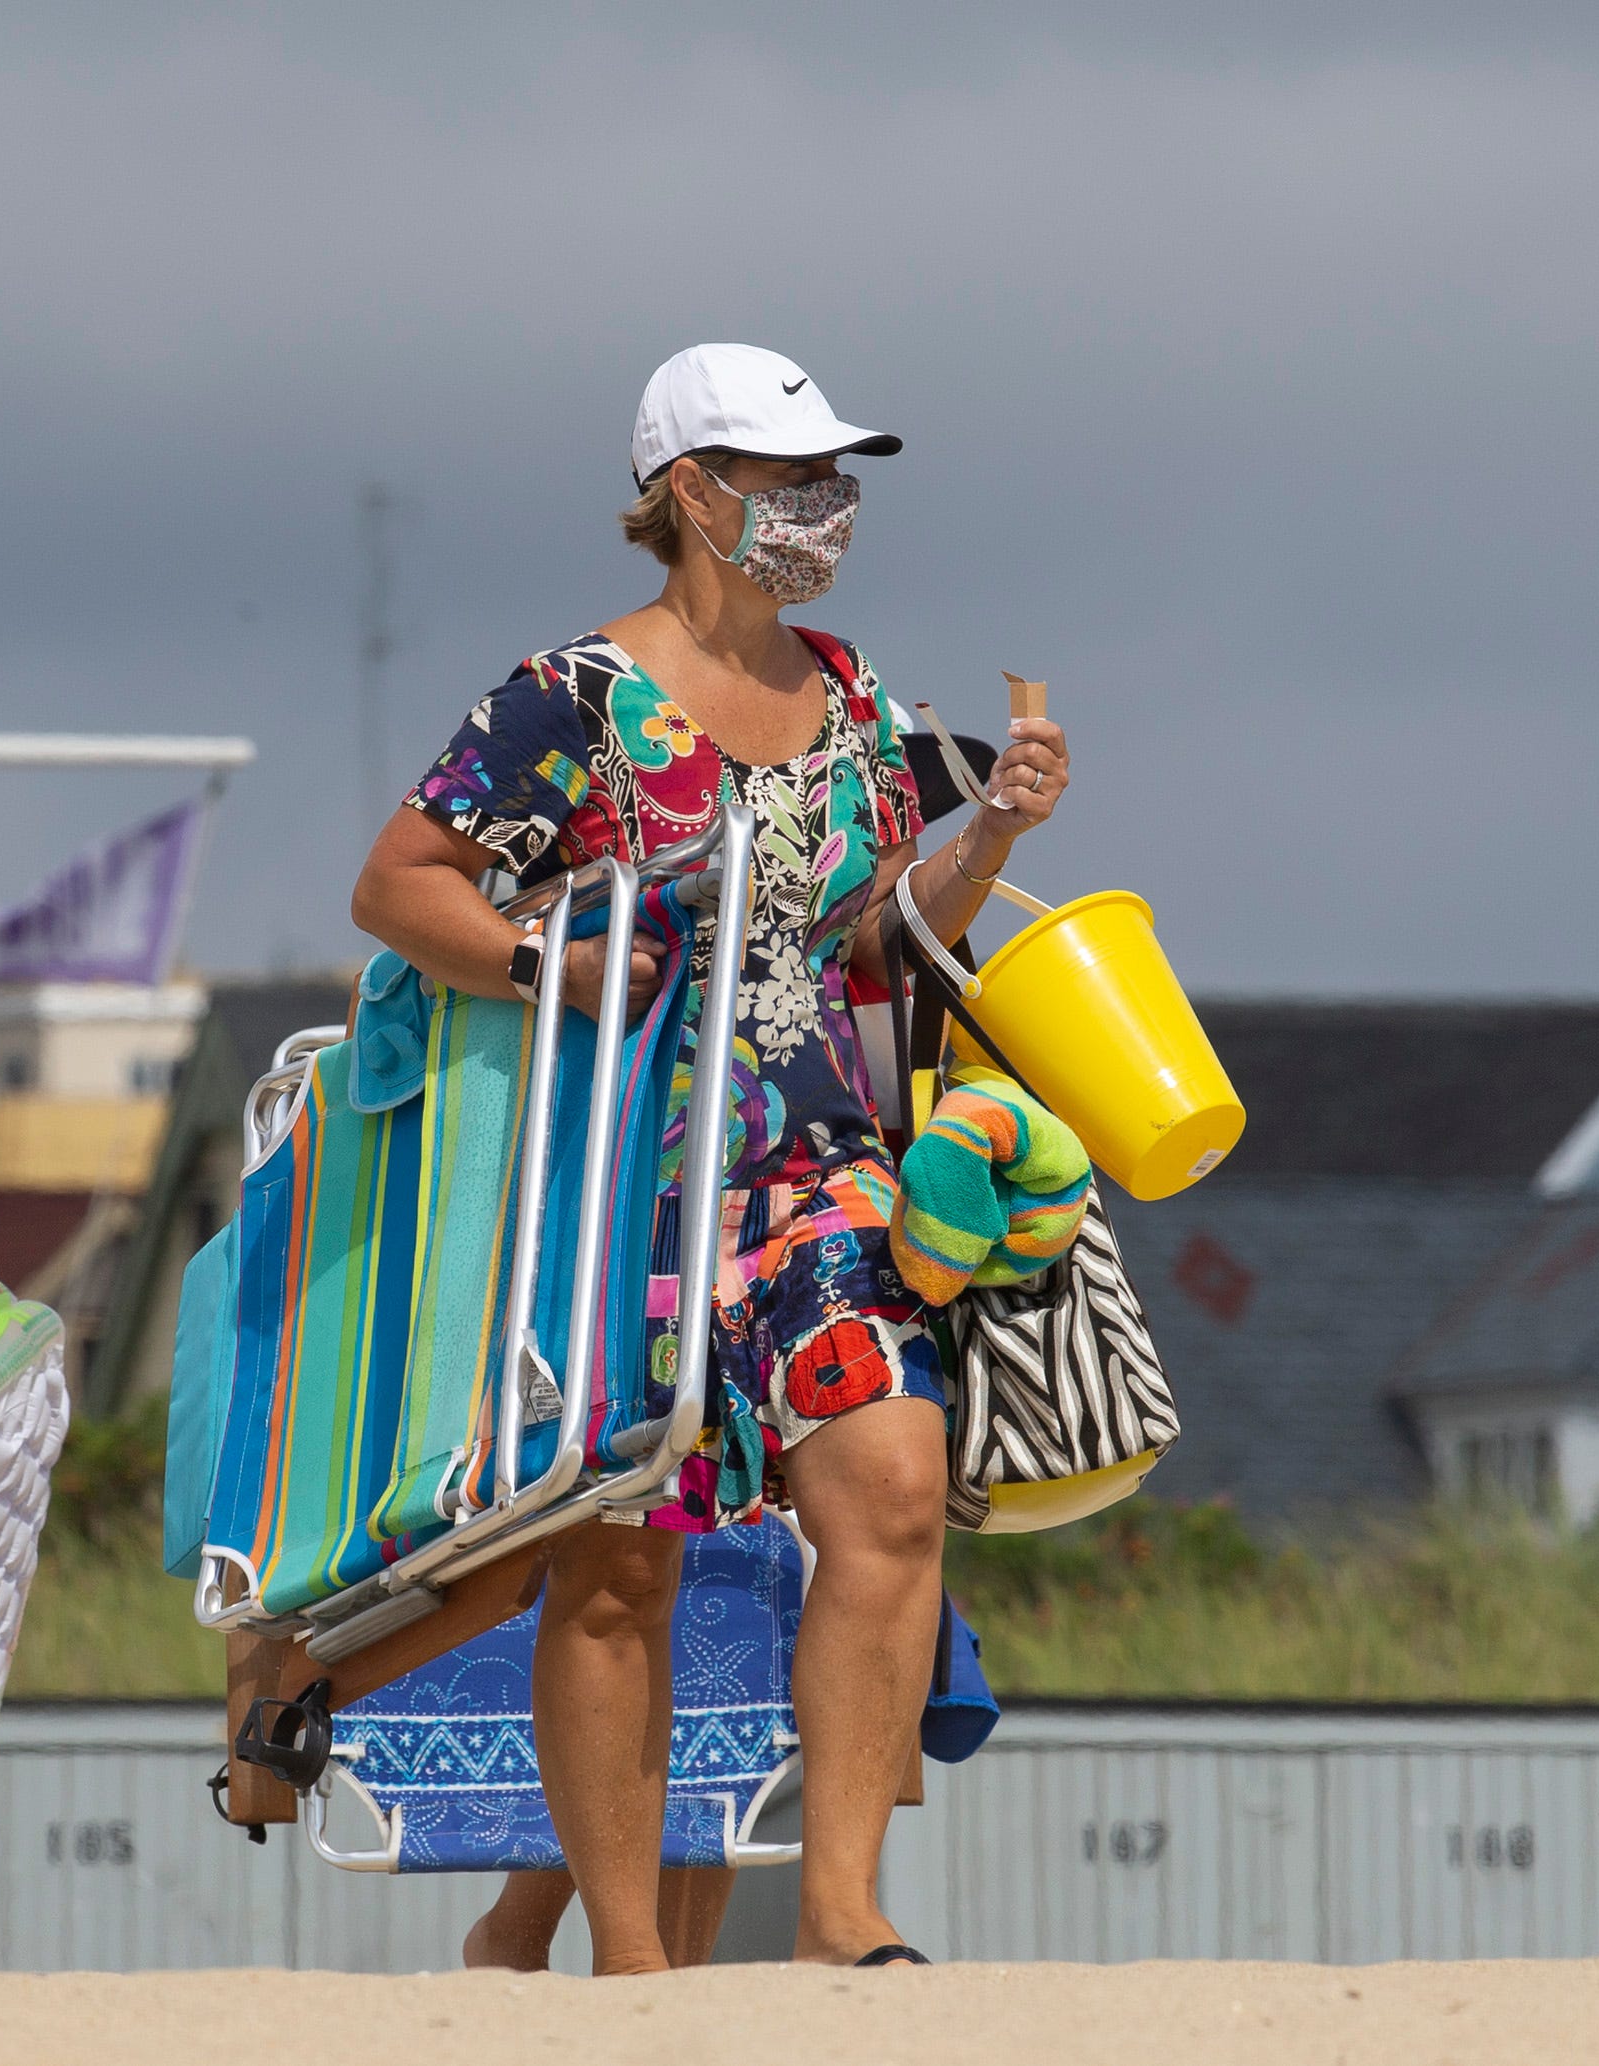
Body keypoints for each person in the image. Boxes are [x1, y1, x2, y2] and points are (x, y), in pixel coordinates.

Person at [351, 345, 1071, 1972]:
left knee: (890, 1493)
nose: (823, 509)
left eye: (835, 480)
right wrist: (557, 967)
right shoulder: (573, 699)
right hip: (619, 1165)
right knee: (621, 1559)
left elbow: (874, 943)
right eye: (789, 477)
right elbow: (399, 883)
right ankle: (632, 1961)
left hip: (814, 1153)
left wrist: (992, 838)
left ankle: (840, 1910)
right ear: (692, 489)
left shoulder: (861, 695)